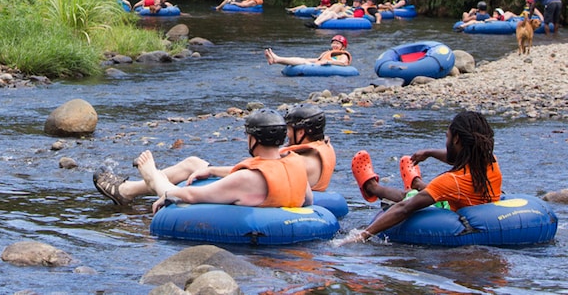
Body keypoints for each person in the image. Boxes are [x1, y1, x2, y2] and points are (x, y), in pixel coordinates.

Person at [92, 109, 312, 212]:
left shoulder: (246, 179)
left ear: (254, 139)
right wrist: (213, 170)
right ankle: (127, 190)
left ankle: (149, 177)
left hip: (246, 215)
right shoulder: (296, 164)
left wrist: (156, 179)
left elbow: (189, 196)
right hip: (276, 211)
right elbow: (308, 200)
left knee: (168, 188)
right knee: (194, 164)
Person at [340, 110, 502, 244]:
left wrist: (362, 235)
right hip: (475, 210)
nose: (446, 141)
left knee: (410, 195)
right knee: (431, 191)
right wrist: (429, 153)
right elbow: (459, 157)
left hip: (453, 216)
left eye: (447, 136)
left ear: (457, 139)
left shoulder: (452, 181)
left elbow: (405, 208)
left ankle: (372, 188)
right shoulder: (490, 161)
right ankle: (416, 182)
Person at [282, 104, 336, 191]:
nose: (287, 134)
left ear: (301, 133)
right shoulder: (326, 145)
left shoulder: (301, 163)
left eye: (289, 129)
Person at [265, 35, 352, 67]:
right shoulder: (327, 53)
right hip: (319, 65)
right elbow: (318, 60)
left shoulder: (343, 55)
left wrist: (329, 62)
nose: (335, 45)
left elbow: (343, 63)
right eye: (333, 43)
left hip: (327, 67)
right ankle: (276, 60)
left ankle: (276, 59)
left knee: (303, 62)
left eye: (337, 44)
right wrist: (306, 59)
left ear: (343, 47)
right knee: (302, 60)